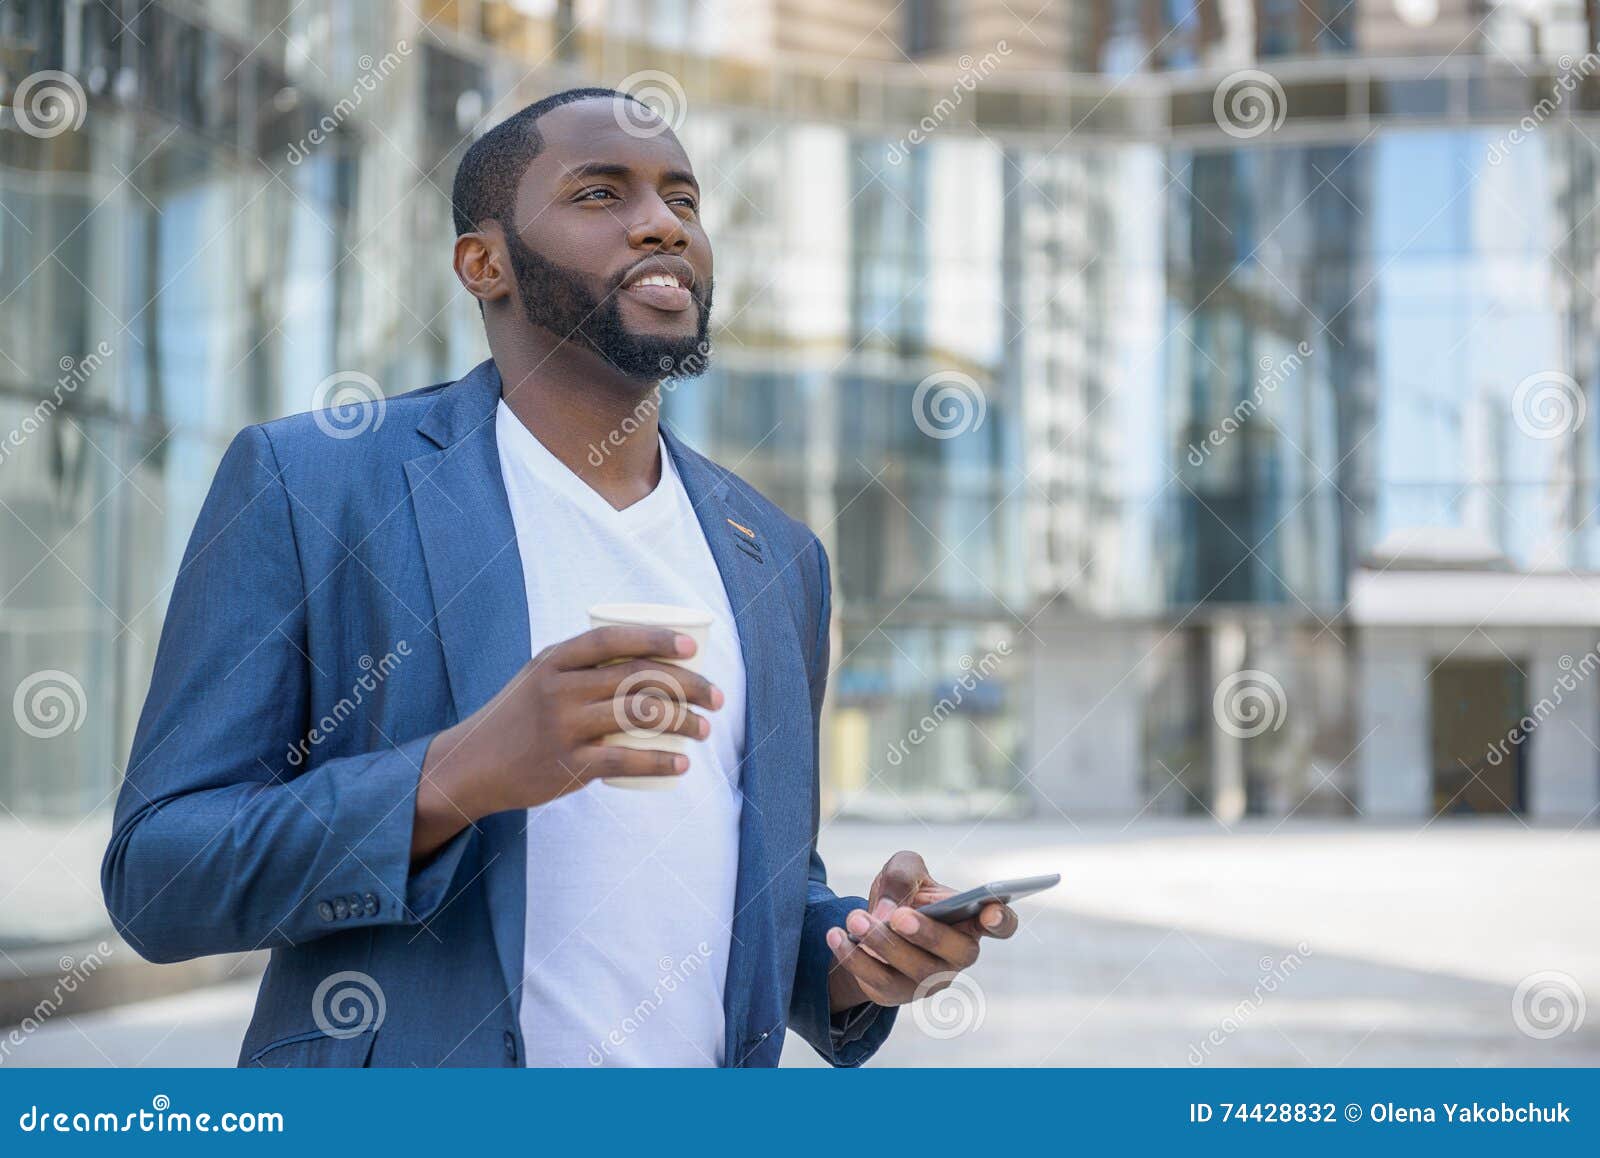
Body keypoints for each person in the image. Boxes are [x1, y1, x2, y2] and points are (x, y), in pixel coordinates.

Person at [102, 87, 1018, 1068]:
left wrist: (858, 955)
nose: (662, 223)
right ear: (483, 261)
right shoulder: (314, 485)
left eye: (683, 200)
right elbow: (161, 878)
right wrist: (453, 777)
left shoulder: (779, 556)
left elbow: (762, 894)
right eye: (599, 193)